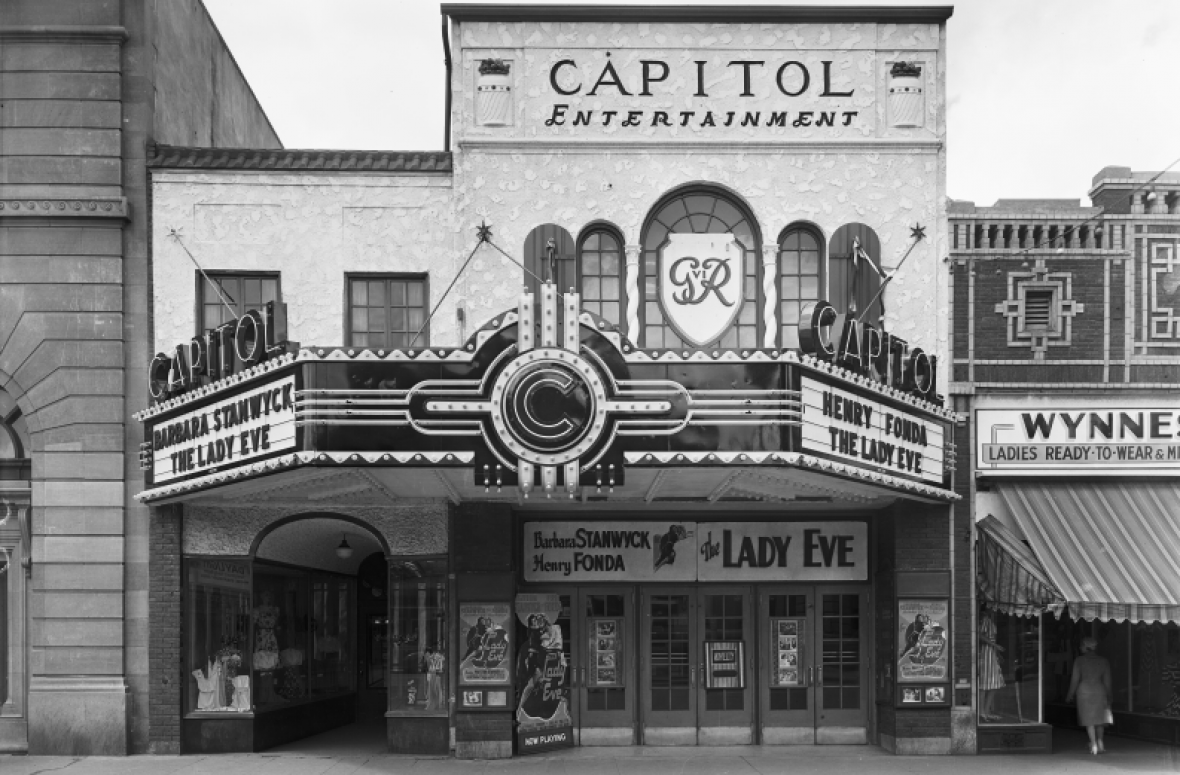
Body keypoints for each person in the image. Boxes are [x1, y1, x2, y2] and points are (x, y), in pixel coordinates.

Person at [1065, 636, 1112, 755]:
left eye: (1081, 645)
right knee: (1100, 719)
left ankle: (1094, 744)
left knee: (1089, 720)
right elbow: (1107, 681)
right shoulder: (1103, 661)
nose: (1080, 647)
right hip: (1099, 691)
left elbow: (1075, 680)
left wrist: (1070, 694)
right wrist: (1110, 695)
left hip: (1084, 692)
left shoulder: (1079, 661)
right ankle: (1101, 742)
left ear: (1086, 647)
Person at [978, 609, 1006, 722]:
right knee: (985, 683)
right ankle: (981, 711)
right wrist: (995, 645)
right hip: (986, 653)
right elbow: (979, 635)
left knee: (994, 684)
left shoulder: (990, 620)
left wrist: (997, 653)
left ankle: (986, 710)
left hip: (991, 653)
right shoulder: (986, 620)